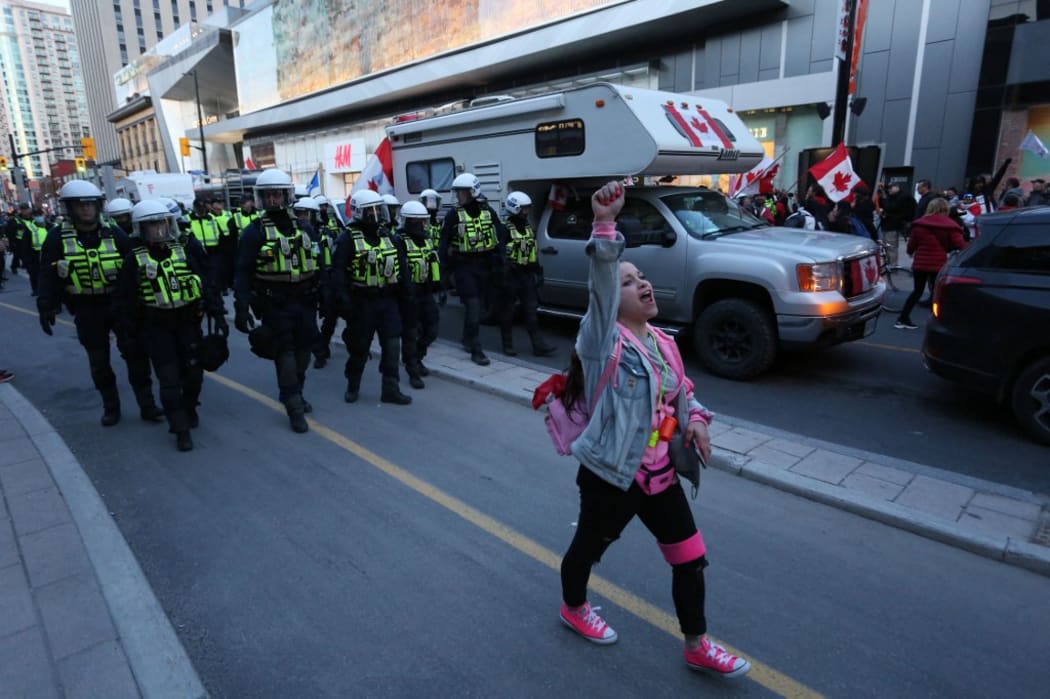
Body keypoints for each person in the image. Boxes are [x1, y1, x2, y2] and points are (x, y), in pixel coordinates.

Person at [556, 180, 750, 678]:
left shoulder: (664, 343)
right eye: (627, 281)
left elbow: (682, 394)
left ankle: (696, 644)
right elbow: (601, 280)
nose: (640, 284)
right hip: (611, 477)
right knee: (588, 551)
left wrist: (699, 422)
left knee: (691, 558)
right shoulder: (602, 341)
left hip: (659, 475)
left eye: (641, 276)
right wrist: (605, 225)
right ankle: (574, 608)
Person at [37, 180, 163, 426]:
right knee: (99, 362)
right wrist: (45, 302)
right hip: (86, 307)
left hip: (119, 305)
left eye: (90, 205)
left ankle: (147, 405)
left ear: (98, 206)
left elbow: (134, 264)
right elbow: (46, 273)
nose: (86, 210)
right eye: (79, 205)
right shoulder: (57, 237)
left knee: (136, 355)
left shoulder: (114, 233)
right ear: (69, 209)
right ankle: (111, 407)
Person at [115, 200, 226, 451]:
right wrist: (127, 335)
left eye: (162, 223)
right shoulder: (134, 259)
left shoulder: (184, 251)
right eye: (152, 225)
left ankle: (189, 408)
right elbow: (124, 300)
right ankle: (180, 428)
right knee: (168, 379)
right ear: (141, 228)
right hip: (156, 327)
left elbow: (206, 283)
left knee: (194, 375)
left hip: (188, 322)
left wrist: (218, 313)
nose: (158, 229)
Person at [233, 168, 322, 433]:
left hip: (306, 302)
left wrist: (328, 296)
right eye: (268, 195)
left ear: (287, 196)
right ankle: (293, 405)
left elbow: (320, 264)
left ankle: (296, 391)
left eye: (277, 194)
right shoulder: (254, 232)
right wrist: (241, 305)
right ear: (261, 198)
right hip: (275, 304)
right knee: (285, 354)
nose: (273, 200)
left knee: (304, 352)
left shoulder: (305, 227)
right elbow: (242, 272)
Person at [331, 190, 412, 405]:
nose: (376, 215)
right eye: (371, 211)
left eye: (379, 209)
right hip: (362, 302)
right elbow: (338, 273)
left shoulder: (390, 237)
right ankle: (353, 384)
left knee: (393, 346)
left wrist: (407, 298)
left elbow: (403, 270)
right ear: (359, 212)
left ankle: (390, 389)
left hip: (388, 300)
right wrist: (344, 302)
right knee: (360, 348)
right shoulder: (347, 239)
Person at [438, 173, 507, 366]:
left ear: (472, 192)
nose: (458, 196)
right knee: (473, 306)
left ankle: (467, 339)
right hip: (464, 266)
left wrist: (501, 260)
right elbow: (443, 243)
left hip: (485, 265)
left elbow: (499, 235)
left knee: (476, 308)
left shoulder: (488, 211)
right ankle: (476, 350)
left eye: (461, 192)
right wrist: (443, 271)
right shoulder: (453, 215)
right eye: (457, 192)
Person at [496, 191, 555, 357]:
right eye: (524, 209)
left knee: (531, 310)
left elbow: (531, 252)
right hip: (509, 276)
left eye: (528, 209)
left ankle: (538, 345)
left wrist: (537, 270)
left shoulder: (528, 228)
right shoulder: (504, 229)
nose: (526, 212)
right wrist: (505, 269)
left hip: (526, 275)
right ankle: (507, 345)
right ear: (514, 208)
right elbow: (498, 254)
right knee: (507, 312)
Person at [895, 198, 967, 330]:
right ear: (946, 209)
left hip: (920, 263)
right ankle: (937, 321)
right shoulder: (950, 225)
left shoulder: (919, 224)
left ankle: (903, 318)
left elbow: (911, 246)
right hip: (938, 263)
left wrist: (911, 252)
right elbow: (960, 245)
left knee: (917, 291)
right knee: (937, 293)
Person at [396, 200, 441, 387]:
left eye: (425, 221)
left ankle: (418, 356)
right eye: (420, 221)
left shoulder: (426, 239)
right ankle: (412, 369)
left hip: (425, 292)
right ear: (410, 222)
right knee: (410, 333)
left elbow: (433, 263)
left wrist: (439, 286)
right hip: (408, 295)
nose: (424, 225)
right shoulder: (399, 241)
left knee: (432, 330)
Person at [310, 196, 341, 369]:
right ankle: (319, 352)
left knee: (330, 317)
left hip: (327, 278)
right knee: (309, 321)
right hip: (307, 280)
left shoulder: (327, 232)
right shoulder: (298, 233)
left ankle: (323, 347)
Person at [878, 183, 915, 265]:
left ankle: (892, 264)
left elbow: (891, 207)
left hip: (893, 225)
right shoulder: (895, 197)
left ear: (897, 187)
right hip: (889, 224)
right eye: (888, 188)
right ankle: (889, 263)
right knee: (888, 246)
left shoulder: (902, 197)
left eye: (890, 188)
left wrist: (884, 198)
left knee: (891, 246)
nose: (889, 190)